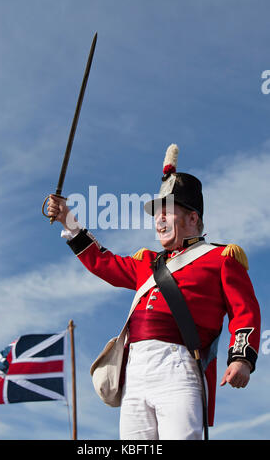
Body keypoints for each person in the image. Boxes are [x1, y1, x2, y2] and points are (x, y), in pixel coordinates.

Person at [47, 144, 261, 440]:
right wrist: (68, 220)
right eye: (157, 213)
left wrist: (241, 359)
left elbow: (244, 311)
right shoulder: (147, 262)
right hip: (135, 370)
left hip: (180, 366)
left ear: (193, 219)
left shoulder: (221, 258)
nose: (159, 220)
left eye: (168, 212)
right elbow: (103, 262)